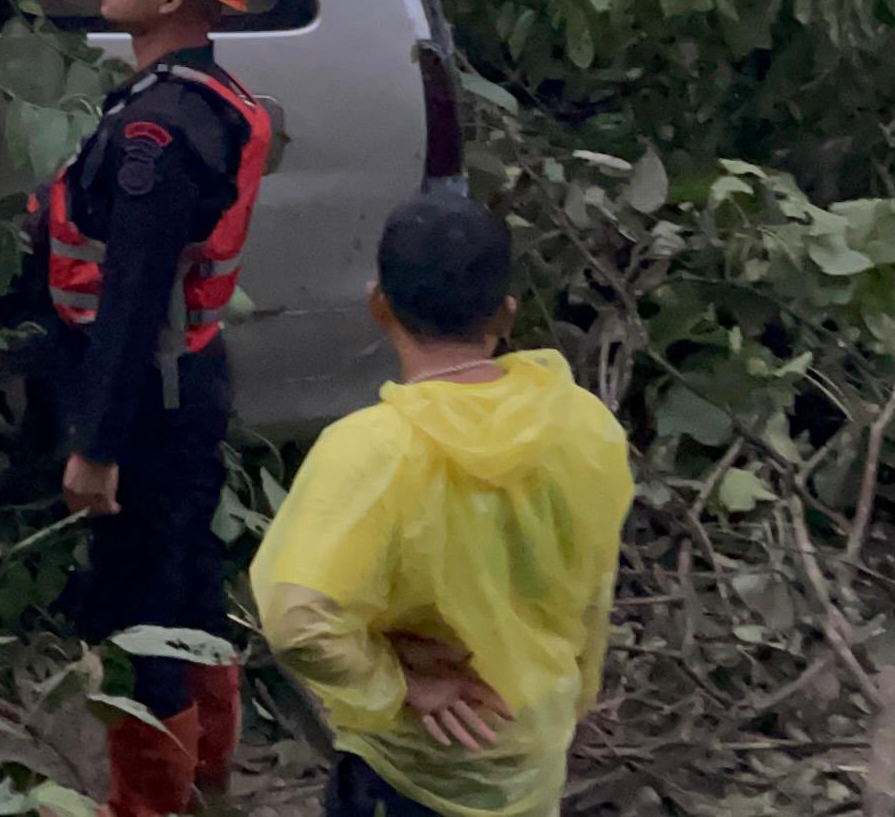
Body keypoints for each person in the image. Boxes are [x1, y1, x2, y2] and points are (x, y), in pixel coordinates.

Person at [249, 194, 633, 817]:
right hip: (531, 750)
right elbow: (594, 590)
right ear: (506, 314)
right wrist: (573, 697)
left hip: (412, 772)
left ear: (379, 305)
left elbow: (297, 623)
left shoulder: (373, 451)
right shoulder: (586, 427)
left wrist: (400, 685)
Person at [34, 0, 275, 817]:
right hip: (188, 377)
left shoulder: (159, 131)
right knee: (187, 581)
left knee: (145, 612)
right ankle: (208, 776)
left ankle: (149, 802)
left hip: (150, 396)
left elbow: (133, 295)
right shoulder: (194, 98)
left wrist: (97, 444)